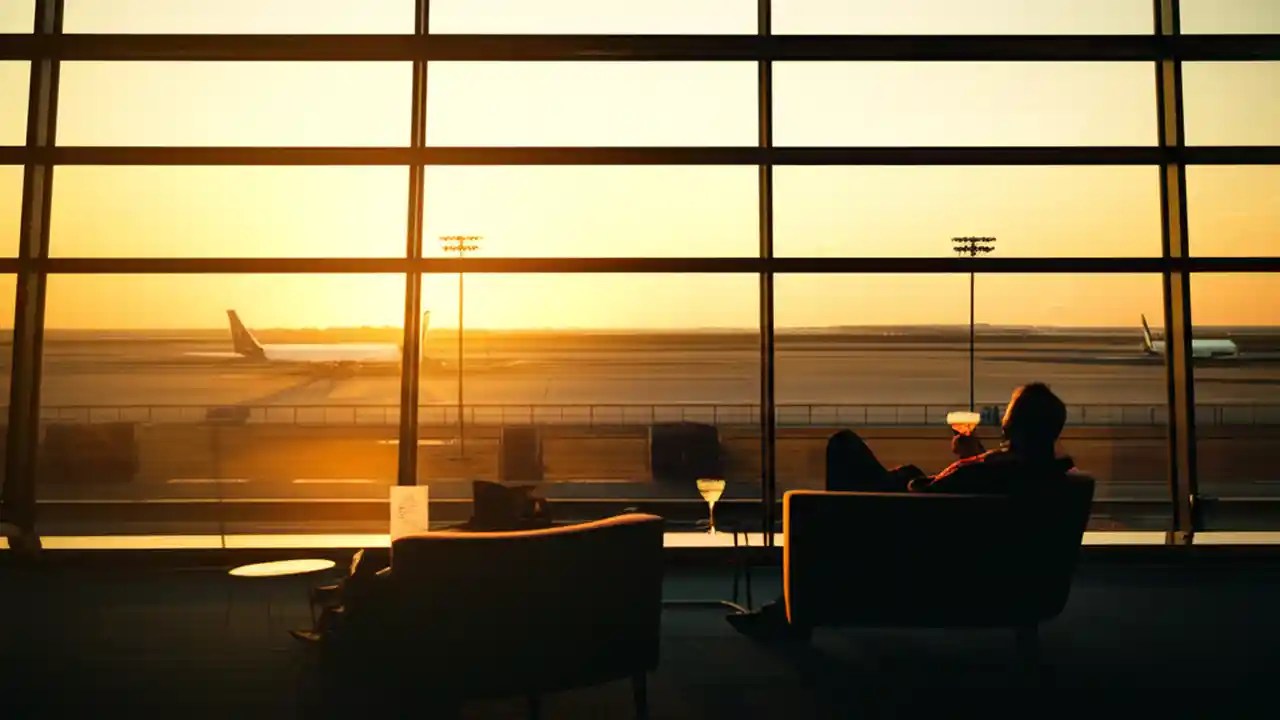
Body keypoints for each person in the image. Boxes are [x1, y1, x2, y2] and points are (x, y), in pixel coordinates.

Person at [728, 382, 1076, 641]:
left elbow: (933, 498)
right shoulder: (1037, 472)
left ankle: (803, 603)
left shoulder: (993, 468)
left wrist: (914, 480)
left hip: (906, 534)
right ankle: (795, 601)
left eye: (1011, 407)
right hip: (941, 535)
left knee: (843, 448)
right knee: (875, 462)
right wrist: (971, 457)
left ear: (1012, 423)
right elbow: (973, 496)